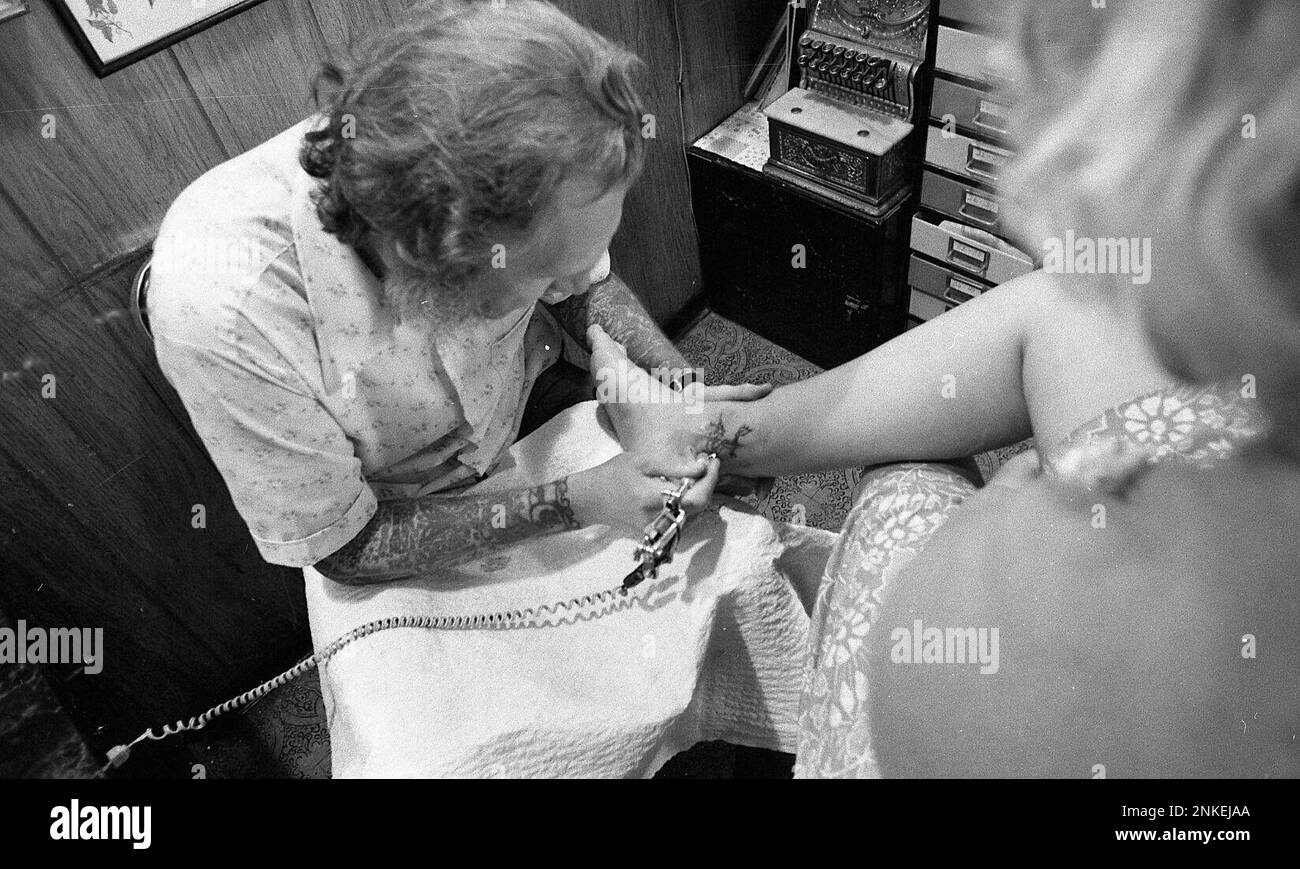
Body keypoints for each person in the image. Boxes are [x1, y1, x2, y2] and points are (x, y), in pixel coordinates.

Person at [597, 0, 1300, 777]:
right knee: (1068, 308)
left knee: (908, 478)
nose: (1017, 203)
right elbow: (1070, 304)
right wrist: (709, 430)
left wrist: (993, 529)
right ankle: (721, 432)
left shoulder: (1011, 629)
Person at [149, 0, 815, 778]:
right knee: (444, 759)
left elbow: (585, 286)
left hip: (523, 398)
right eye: (542, 274)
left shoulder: (533, 176)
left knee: (737, 566)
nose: (578, 281)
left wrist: (677, 385)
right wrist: (578, 500)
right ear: (424, 258)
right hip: (386, 511)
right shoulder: (226, 307)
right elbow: (344, 545)